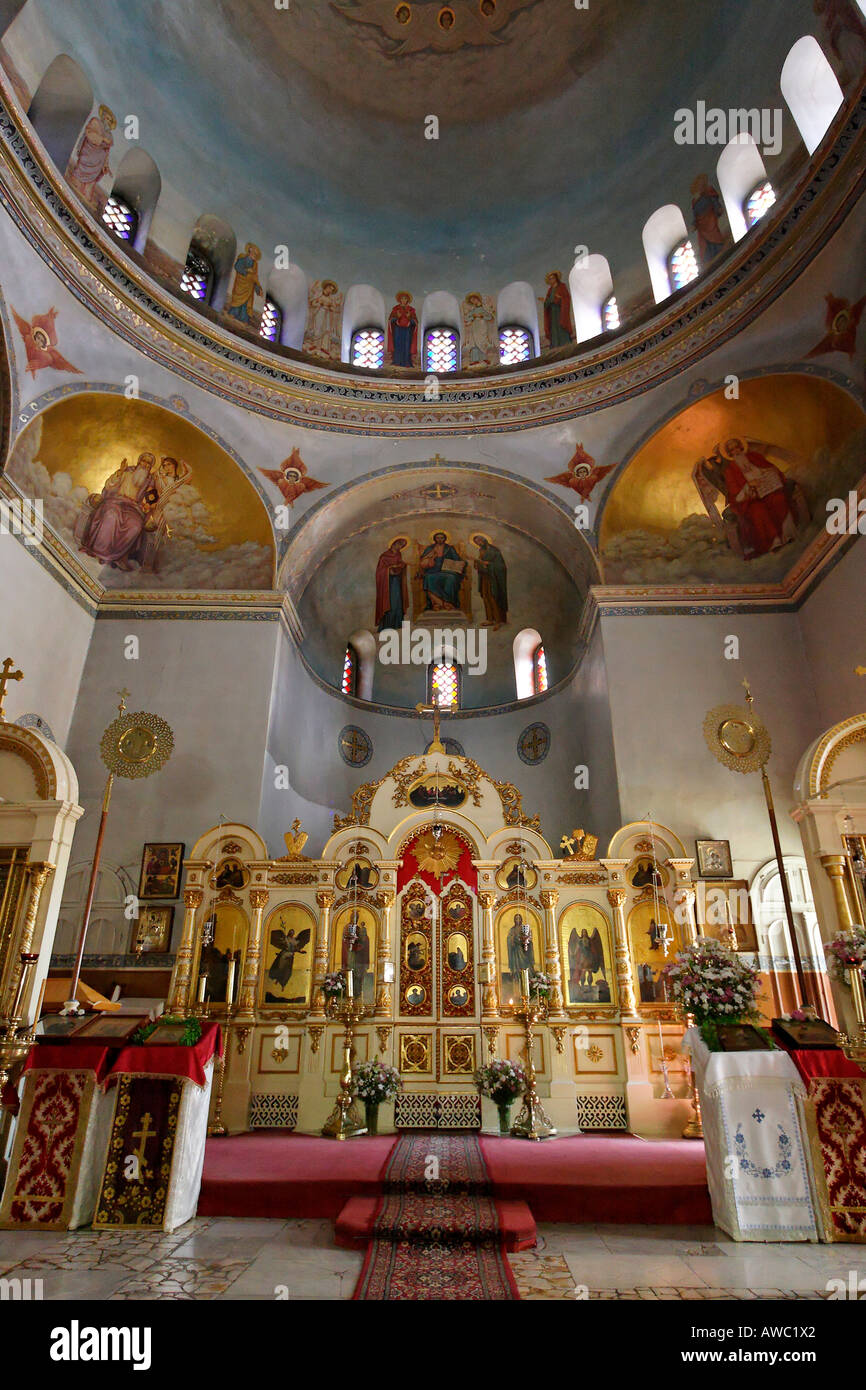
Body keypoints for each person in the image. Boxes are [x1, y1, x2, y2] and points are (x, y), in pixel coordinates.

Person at [419, 532, 464, 611]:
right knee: (429, 578)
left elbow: (457, 559)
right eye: (438, 538)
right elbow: (423, 560)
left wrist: (463, 563)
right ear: (435, 539)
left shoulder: (449, 548)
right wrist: (430, 558)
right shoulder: (430, 548)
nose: (440, 540)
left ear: (445, 539)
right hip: (432, 571)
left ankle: (448, 601)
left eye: (441, 538)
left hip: (447, 571)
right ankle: (437, 603)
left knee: (451, 578)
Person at [472, 534, 508, 628]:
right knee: (486, 597)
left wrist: (489, 564)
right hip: (484, 577)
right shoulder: (481, 551)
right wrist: (477, 564)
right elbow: (480, 564)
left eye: (480, 541)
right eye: (476, 542)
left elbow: (501, 566)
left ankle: (498, 621)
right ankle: (490, 619)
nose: (479, 543)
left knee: (493, 597)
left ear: (484, 539)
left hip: (494, 579)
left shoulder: (494, 551)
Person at [375, 538, 409, 631]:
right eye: (399, 544)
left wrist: (401, 565)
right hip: (387, 584)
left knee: (398, 602)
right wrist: (390, 569)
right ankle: (387, 626)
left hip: (397, 581)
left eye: (402, 546)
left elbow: (399, 565)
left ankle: (397, 624)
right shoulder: (384, 556)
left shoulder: (398, 554)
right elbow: (380, 571)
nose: (400, 547)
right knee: (390, 603)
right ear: (393, 544)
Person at [226, 243, 263, 324]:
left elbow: (255, 277)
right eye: (253, 253)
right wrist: (246, 270)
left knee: (246, 303)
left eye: (255, 254)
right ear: (249, 251)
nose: (254, 255)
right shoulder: (242, 258)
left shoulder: (255, 264)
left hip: (249, 286)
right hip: (240, 283)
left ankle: (243, 319)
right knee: (237, 300)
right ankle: (233, 313)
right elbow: (237, 266)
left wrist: (258, 289)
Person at [543, 271, 574, 348]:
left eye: (552, 278)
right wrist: (546, 301)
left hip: (561, 311)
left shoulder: (562, 286)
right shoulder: (550, 290)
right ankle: (555, 344)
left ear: (556, 278)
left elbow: (566, 298)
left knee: (561, 326)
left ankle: (565, 343)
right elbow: (548, 302)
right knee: (553, 328)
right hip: (552, 313)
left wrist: (560, 299)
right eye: (550, 279)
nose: (551, 280)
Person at [387, 292, 418, 368]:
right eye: (402, 298)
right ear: (399, 300)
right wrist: (397, 317)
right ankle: (397, 361)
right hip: (398, 330)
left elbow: (415, 322)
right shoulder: (396, 309)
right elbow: (391, 320)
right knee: (398, 345)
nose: (403, 300)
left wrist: (409, 319)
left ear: (408, 300)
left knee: (407, 345)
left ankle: (407, 362)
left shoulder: (411, 310)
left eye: (405, 298)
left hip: (407, 330)